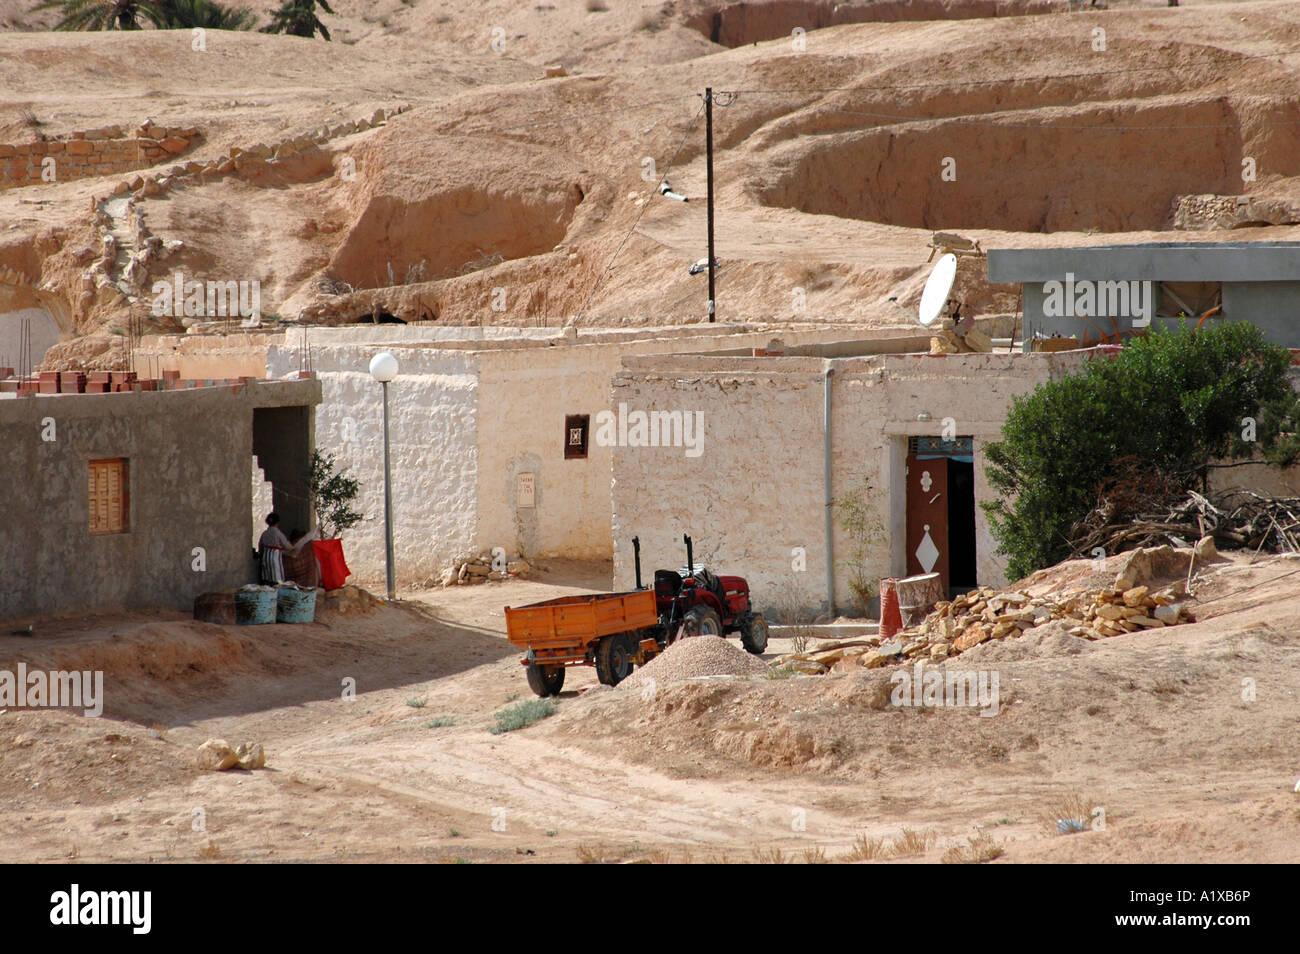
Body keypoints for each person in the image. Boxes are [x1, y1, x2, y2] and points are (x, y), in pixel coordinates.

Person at [258, 512, 315, 585]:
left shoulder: (264, 533)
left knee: (267, 576)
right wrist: (293, 548)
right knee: (277, 577)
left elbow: (260, 546)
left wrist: (261, 555)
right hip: (275, 557)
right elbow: (285, 544)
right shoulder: (277, 533)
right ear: (277, 523)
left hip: (266, 557)